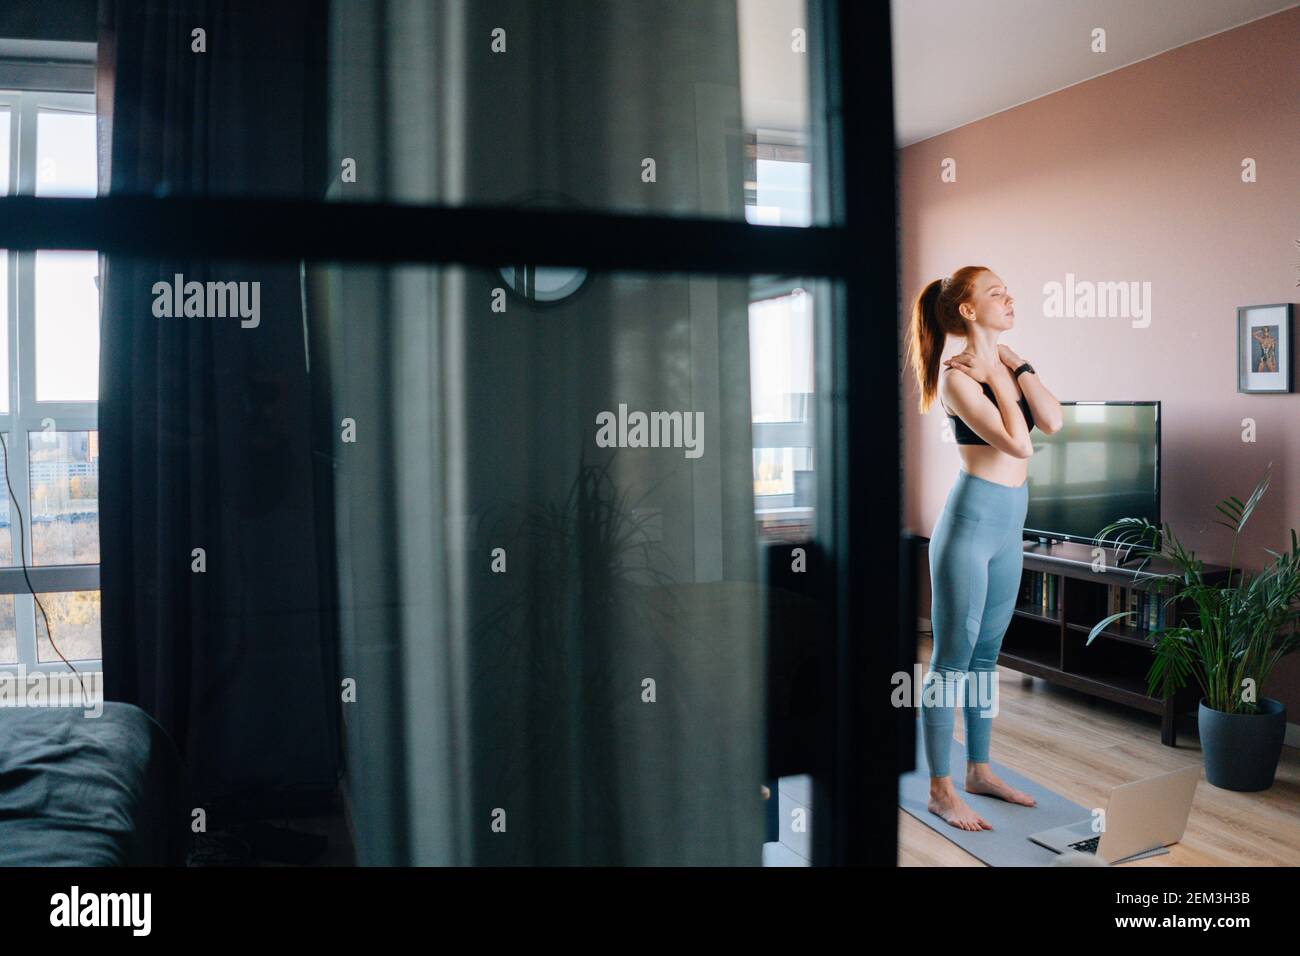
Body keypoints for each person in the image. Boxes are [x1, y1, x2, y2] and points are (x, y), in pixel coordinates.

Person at [906, 266, 1063, 831]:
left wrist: (1013, 363)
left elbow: (1052, 419)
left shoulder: (1003, 364)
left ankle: (979, 770)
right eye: (995, 293)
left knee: (985, 660)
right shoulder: (956, 379)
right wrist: (997, 372)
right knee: (951, 663)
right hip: (970, 524)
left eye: (1007, 289)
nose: (1009, 297)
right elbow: (1019, 441)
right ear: (968, 311)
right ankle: (941, 790)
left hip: (1010, 523)